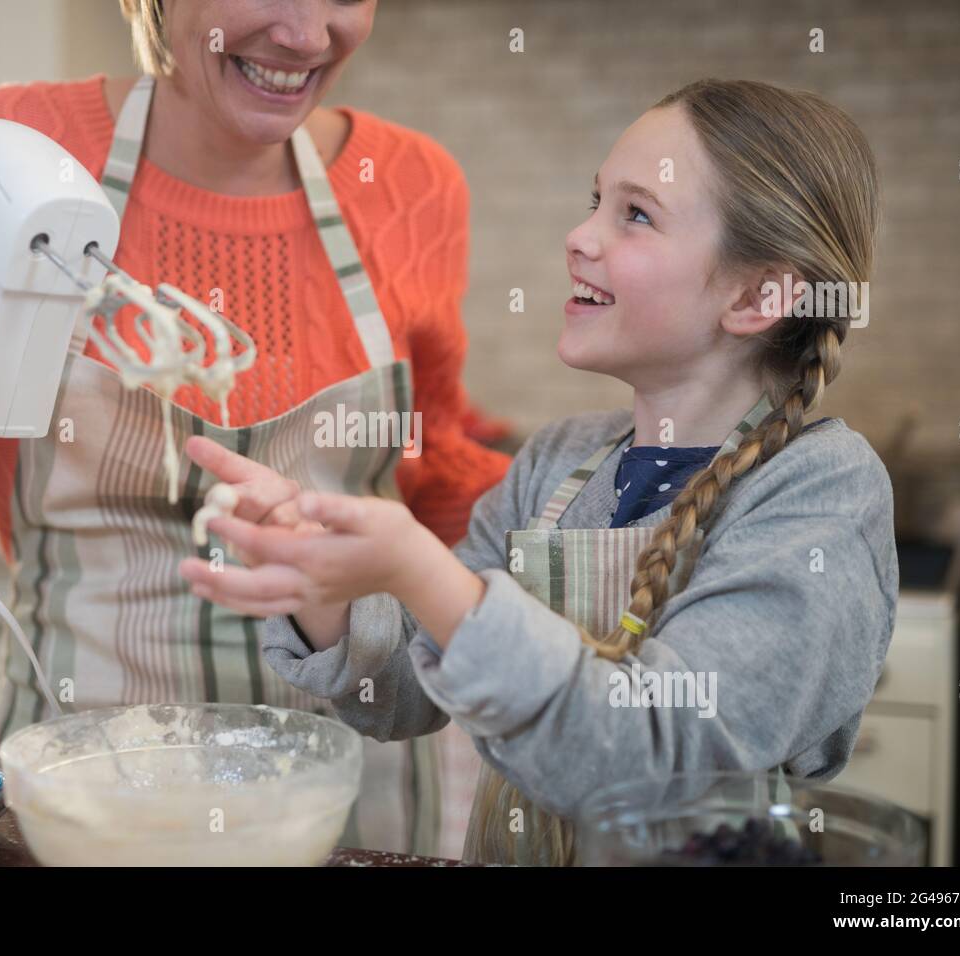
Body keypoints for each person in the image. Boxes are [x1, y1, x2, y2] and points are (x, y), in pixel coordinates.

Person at [0, 0, 508, 855]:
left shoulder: (413, 185)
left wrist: (589, 525)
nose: (307, 37)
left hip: (338, 797)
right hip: (88, 788)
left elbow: (433, 469)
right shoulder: (20, 152)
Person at [180, 78, 898, 864]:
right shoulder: (558, 462)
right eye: (595, 200)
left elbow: (660, 755)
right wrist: (325, 592)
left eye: (635, 214)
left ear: (759, 294)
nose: (580, 236)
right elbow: (407, 690)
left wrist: (423, 570)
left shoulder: (820, 490)